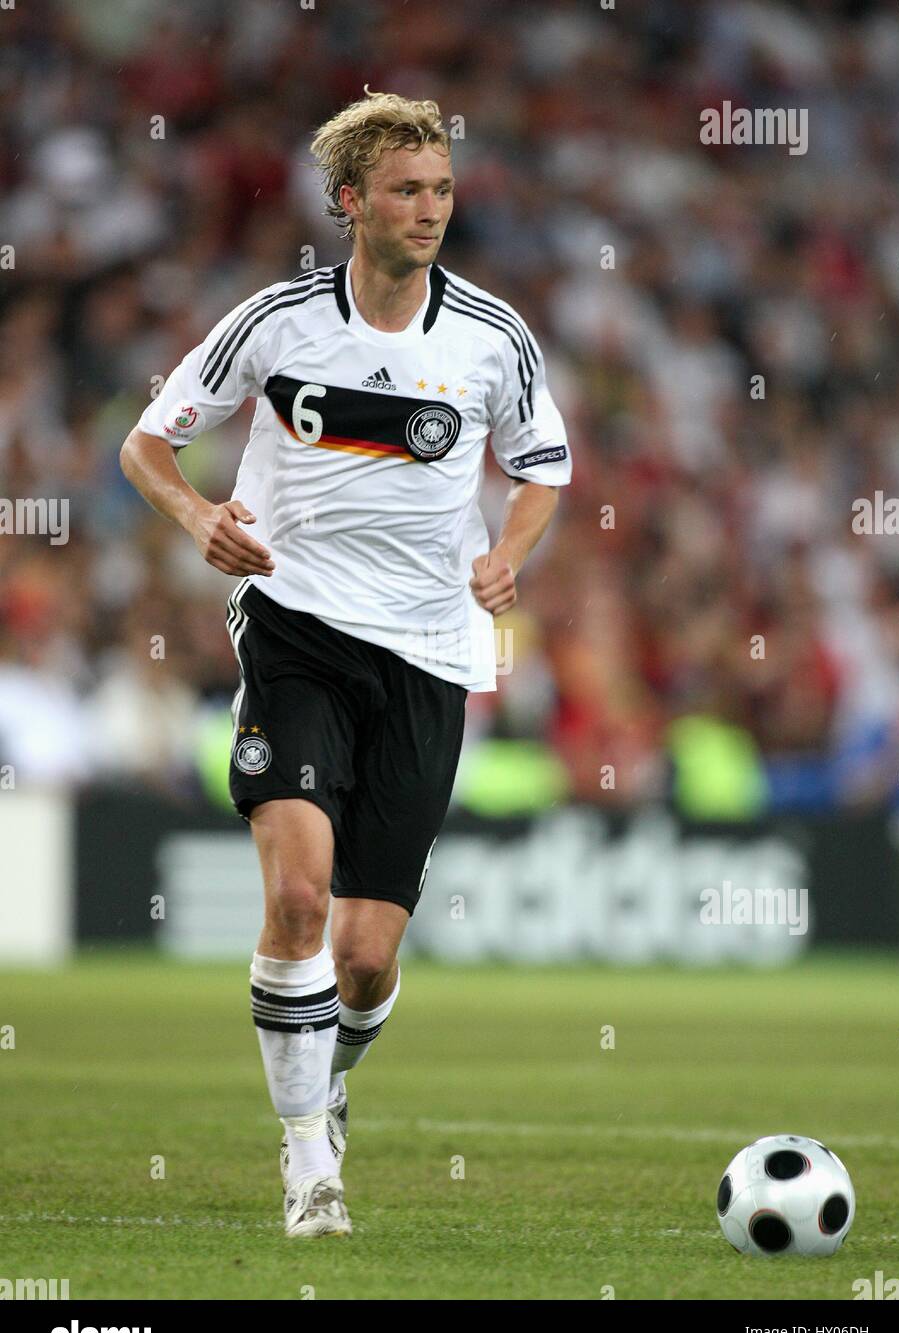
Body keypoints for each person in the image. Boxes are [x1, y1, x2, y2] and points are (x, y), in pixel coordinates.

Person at [119, 88, 572, 1238]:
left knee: (365, 960)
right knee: (298, 896)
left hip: (427, 649)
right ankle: (307, 1158)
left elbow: (543, 468)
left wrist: (507, 557)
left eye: (442, 190)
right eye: (408, 190)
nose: (430, 209)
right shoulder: (275, 321)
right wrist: (195, 518)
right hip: (295, 625)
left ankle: (331, 1084)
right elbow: (146, 441)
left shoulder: (489, 336)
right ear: (350, 202)